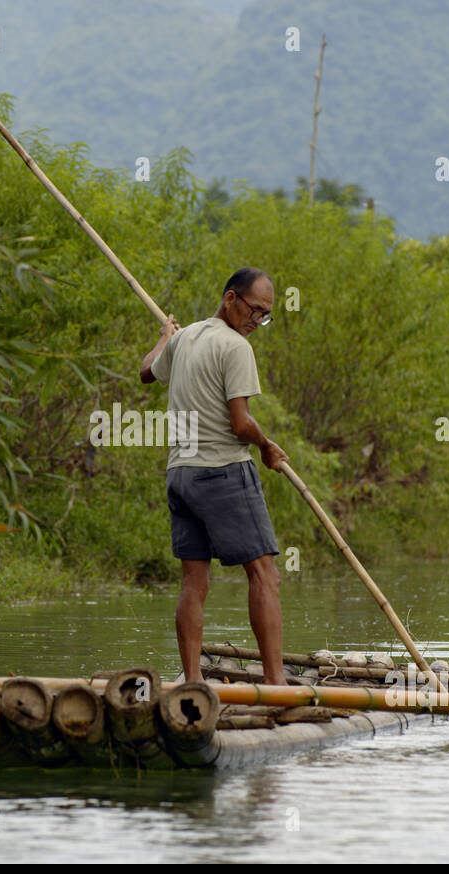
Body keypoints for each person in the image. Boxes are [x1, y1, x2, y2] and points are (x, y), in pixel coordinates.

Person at [140, 267, 290, 685]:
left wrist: (164, 338)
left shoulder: (185, 337)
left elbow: (147, 370)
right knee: (264, 573)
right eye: (254, 309)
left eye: (265, 315)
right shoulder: (235, 347)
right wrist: (265, 445)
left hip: (181, 475)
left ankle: (192, 681)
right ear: (229, 299)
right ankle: (277, 685)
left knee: (194, 579)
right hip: (222, 471)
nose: (257, 321)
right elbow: (240, 424)